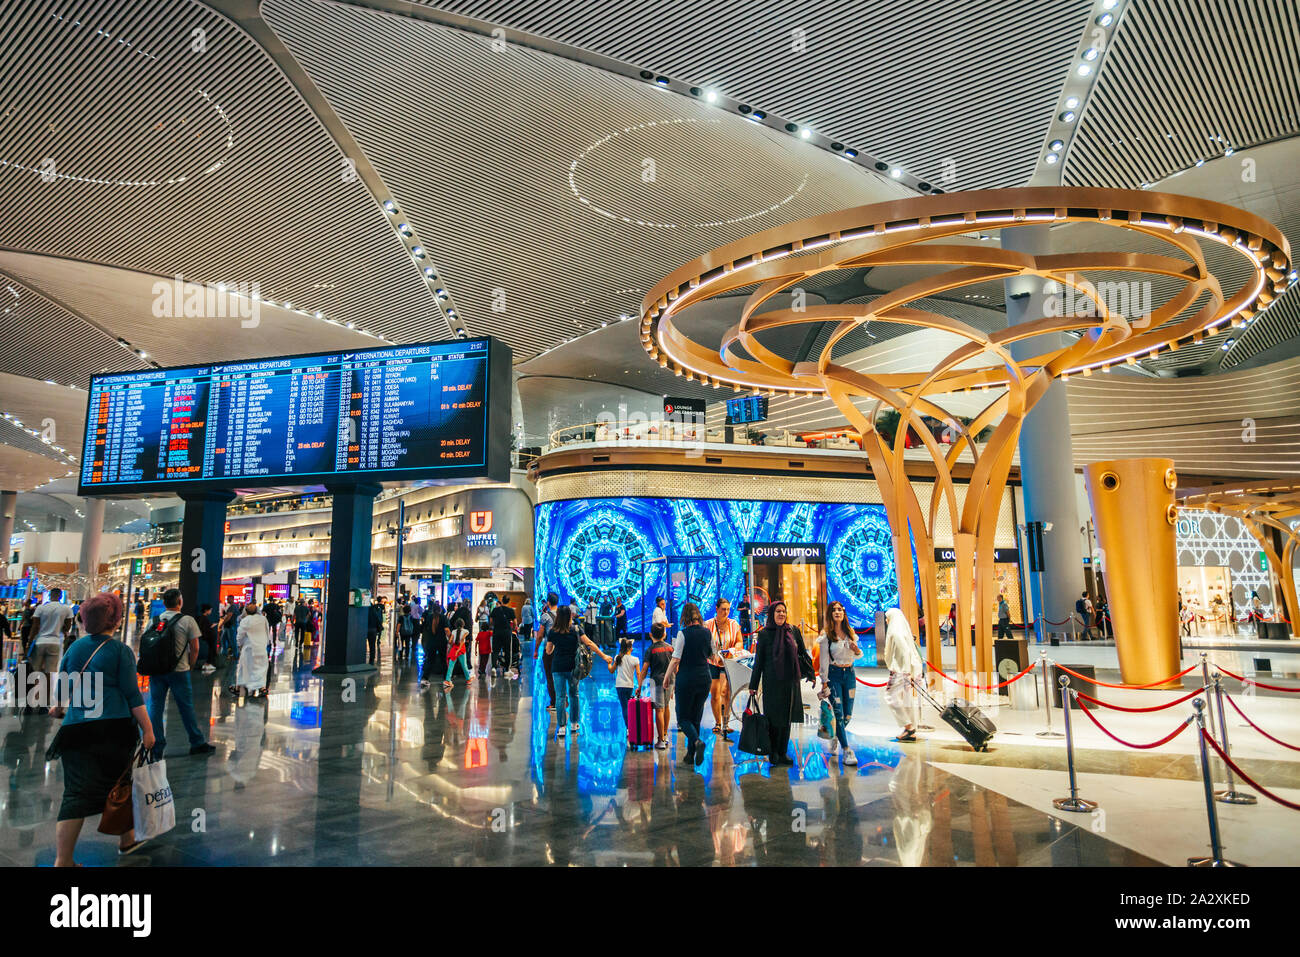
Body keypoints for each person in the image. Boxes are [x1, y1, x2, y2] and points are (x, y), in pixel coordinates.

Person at [49, 593, 156, 864]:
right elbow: (133, 696)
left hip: (76, 730)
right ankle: (127, 839)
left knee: (75, 794)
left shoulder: (74, 649)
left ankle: (63, 860)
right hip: (114, 729)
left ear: (85, 620)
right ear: (116, 620)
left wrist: (59, 707)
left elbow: (62, 687)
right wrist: (148, 730)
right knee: (119, 784)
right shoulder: (120, 651)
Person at [146, 588, 217, 757]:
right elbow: (195, 648)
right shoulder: (187, 620)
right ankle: (196, 742)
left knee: (156, 707)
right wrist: (190, 665)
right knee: (186, 707)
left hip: (157, 670)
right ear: (180, 602)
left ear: (164, 603)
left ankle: (157, 743)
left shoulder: (154, 620)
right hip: (179, 670)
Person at [747, 599, 812, 766]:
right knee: (774, 720)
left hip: (790, 682)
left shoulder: (793, 631)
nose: (781, 614)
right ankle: (773, 752)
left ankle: (782, 752)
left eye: (783, 611)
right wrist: (753, 685)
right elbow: (759, 662)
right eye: (778, 611)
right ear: (771, 614)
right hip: (772, 683)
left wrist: (810, 673)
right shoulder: (764, 634)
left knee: (787, 719)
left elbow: (803, 654)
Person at [544, 605, 610, 738]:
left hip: (557, 668)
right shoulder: (575, 629)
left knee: (560, 697)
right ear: (569, 616)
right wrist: (604, 656)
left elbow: (548, 651)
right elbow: (590, 643)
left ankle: (562, 727)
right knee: (574, 695)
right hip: (574, 668)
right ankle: (574, 724)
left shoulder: (552, 632)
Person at [662, 602, 715, 766]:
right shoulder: (707, 633)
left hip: (687, 678)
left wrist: (666, 677)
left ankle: (697, 742)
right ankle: (690, 755)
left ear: (684, 617)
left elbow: (675, 659)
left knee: (683, 717)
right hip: (704, 678)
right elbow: (713, 656)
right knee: (696, 717)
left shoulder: (683, 634)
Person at [818, 600, 861, 765]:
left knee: (847, 714)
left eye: (840, 610)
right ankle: (846, 749)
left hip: (849, 674)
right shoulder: (826, 637)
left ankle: (836, 734)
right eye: (834, 610)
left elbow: (857, 654)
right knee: (838, 713)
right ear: (830, 614)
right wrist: (824, 682)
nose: (837, 612)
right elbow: (824, 661)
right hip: (834, 676)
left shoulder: (850, 633)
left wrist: (856, 650)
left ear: (844, 613)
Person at [26, 587, 72, 710]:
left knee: (36, 672)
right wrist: (61, 628)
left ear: (50, 595)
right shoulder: (66, 609)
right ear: (60, 596)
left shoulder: (41, 608)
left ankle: (34, 699)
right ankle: (45, 703)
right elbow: (67, 627)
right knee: (49, 673)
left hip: (40, 642)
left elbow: (35, 626)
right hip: (55, 643)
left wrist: (29, 642)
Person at [883, 607, 925, 742]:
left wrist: (905, 671)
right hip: (908, 670)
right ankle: (911, 730)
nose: (886, 620)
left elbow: (904, 651)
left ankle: (908, 726)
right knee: (906, 700)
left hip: (900, 671)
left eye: (887, 617)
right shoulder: (903, 629)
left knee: (890, 696)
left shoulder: (895, 632)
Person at [705, 598, 743, 737]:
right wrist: (712, 655)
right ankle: (718, 723)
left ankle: (726, 724)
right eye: (723, 609)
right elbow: (704, 644)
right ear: (716, 609)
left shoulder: (734, 624)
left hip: (728, 663)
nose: (726, 612)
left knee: (726, 692)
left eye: (727, 609)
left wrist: (733, 650)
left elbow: (739, 642)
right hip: (713, 662)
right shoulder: (708, 625)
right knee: (715, 693)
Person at [609, 637, 643, 750]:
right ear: (629, 648)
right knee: (629, 707)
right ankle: (631, 728)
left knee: (624, 707)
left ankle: (628, 728)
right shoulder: (635, 660)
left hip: (619, 686)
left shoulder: (618, 658)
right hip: (629, 686)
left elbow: (611, 670)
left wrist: (609, 663)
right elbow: (638, 674)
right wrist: (640, 686)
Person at [231, 602, 270, 697]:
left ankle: (238, 688)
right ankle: (262, 688)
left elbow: (240, 635)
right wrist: (266, 643)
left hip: (249, 648)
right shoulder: (263, 619)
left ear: (246, 611)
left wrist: (239, 645)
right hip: (261, 647)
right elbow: (267, 631)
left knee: (243, 668)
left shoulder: (245, 620)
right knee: (261, 669)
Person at [644, 622, 673, 749]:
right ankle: (665, 735)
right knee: (666, 707)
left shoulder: (650, 650)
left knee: (659, 710)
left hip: (656, 682)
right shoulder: (671, 648)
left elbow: (644, 669)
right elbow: (675, 667)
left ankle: (660, 740)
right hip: (670, 681)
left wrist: (639, 685)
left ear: (651, 635)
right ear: (664, 634)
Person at [535, 593, 559, 711]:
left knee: (550, 676)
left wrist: (536, 649)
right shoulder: (563, 614)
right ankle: (563, 700)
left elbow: (540, 635)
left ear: (548, 602)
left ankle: (554, 702)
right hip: (562, 649)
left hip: (549, 649)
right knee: (561, 675)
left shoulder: (545, 616)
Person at [420, 604, 449, 688]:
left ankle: (425, 678)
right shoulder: (443, 618)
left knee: (430, 660)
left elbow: (424, 627)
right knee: (443, 660)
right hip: (442, 642)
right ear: (440, 610)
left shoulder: (429, 617)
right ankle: (446, 679)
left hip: (431, 642)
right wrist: (450, 638)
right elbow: (446, 630)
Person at [490, 593, 516, 677]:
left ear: (502, 600)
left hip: (497, 631)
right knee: (507, 650)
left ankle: (493, 668)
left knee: (495, 650)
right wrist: (513, 629)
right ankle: (507, 670)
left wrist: (493, 626)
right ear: (508, 601)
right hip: (506, 632)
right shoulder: (511, 611)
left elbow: (491, 621)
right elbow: (515, 622)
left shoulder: (495, 610)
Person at [444, 621, 471, 689]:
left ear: (455, 625)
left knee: (451, 665)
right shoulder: (466, 631)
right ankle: (468, 679)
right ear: (463, 625)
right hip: (461, 649)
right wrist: (459, 649)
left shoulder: (453, 631)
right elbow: (462, 639)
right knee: (464, 665)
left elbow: (450, 641)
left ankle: (447, 680)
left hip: (454, 649)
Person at [197, 603, 219, 675]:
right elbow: (205, 628)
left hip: (209, 637)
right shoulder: (204, 618)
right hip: (209, 637)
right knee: (211, 649)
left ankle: (208, 663)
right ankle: (208, 663)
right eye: (210, 610)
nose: (211, 612)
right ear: (206, 610)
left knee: (211, 649)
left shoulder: (202, 618)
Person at [367, 598, 383, 665]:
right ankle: (372, 660)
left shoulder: (364, 612)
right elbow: (378, 620)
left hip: (365, 629)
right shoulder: (374, 611)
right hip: (373, 630)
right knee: (372, 645)